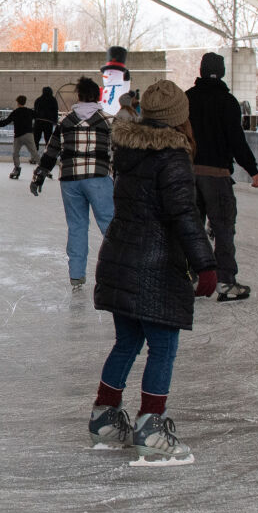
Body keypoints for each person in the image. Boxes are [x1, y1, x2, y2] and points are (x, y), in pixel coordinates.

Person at [88, 80, 218, 466]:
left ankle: (104, 417)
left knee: (127, 342)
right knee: (163, 347)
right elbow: (184, 214)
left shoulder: (129, 149)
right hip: (155, 265)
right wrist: (206, 264)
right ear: (179, 117)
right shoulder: (172, 156)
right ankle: (150, 426)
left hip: (121, 256)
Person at [185, 52, 258, 301]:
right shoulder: (228, 102)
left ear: (201, 71)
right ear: (222, 72)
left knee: (192, 228)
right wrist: (252, 170)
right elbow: (235, 139)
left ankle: (192, 278)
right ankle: (225, 281)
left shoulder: (187, 99)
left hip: (189, 173)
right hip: (217, 175)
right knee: (223, 228)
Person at [31, 77, 115, 291]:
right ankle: (118, 270)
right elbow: (118, 152)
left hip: (70, 180)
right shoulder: (108, 121)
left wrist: (40, 174)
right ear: (98, 96)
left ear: (78, 96)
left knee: (77, 225)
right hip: (98, 177)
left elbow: (51, 150)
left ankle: (76, 275)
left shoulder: (65, 121)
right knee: (110, 225)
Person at [0, 94, 39, 179]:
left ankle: (17, 168)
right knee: (34, 152)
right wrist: (34, 128)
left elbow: (5, 122)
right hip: (28, 135)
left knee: (15, 153)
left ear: (17, 102)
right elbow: (39, 117)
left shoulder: (15, 112)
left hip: (18, 136)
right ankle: (43, 168)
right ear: (25, 102)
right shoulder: (30, 111)